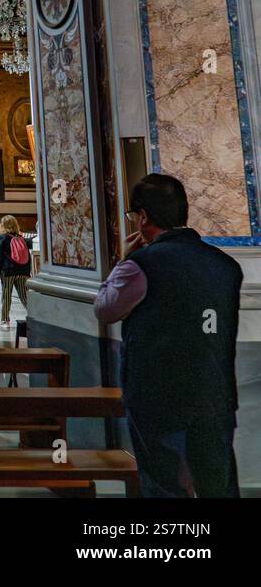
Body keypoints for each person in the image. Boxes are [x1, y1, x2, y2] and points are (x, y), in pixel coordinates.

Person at [94, 173, 242, 497]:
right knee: (217, 483)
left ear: (143, 217)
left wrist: (122, 261)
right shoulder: (226, 266)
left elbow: (105, 310)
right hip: (214, 396)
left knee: (164, 483)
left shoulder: (139, 266)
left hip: (158, 397)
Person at [0, 215, 31, 330]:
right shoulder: (22, 238)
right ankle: (36, 317)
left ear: (3, 225)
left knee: (6, 295)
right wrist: (27, 271)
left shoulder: (2, 238)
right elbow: (27, 255)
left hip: (8, 271)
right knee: (24, 296)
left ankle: (5, 320)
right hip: (22, 271)